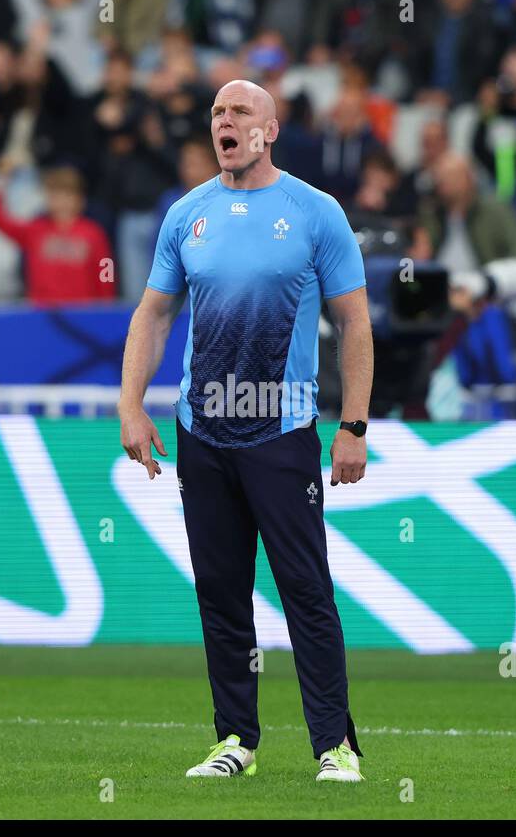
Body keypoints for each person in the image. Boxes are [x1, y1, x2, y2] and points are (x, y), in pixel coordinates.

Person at [119, 79, 373, 782]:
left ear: (270, 129)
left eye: (238, 113)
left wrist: (352, 424)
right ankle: (235, 740)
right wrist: (130, 404)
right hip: (202, 431)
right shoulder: (187, 215)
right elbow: (154, 313)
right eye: (216, 113)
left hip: (283, 431)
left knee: (306, 591)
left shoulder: (316, 213)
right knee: (221, 593)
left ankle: (334, 745)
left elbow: (355, 322)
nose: (223, 122)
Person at [0, 162, 115, 305]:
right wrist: (2, 180)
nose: (61, 202)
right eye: (55, 196)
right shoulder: (35, 230)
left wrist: (105, 307)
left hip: (83, 314)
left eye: (67, 195)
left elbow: (107, 268)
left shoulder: (93, 233)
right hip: (43, 314)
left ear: (80, 200)